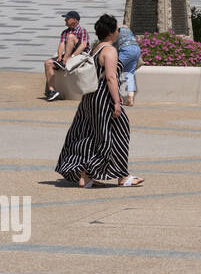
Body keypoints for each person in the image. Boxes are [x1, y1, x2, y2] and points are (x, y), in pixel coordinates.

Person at [55, 14, 142, 188]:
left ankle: (86, 176)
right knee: (117, 132)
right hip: (104, 98)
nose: (118, 32)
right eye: (117, 29)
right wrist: (117, 102)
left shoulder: (96, 48)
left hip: (90, 96)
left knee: (90, 134)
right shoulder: (110, 51)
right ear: (111, 32)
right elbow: (110, 77)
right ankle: (119, 176)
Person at [44, 11, 90, 102]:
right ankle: (52, 90)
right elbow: (61, 44)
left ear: (75, 20)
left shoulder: (82, 30)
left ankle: (65, 61)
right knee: (48, 63)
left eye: (67, 18)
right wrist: (60, 56)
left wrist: (71, 56)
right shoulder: (65, 32)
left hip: (79, 55)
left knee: (70, 37)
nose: (65, 20)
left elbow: (84, 45)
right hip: (67, 55)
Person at [115, 23, 141, 106]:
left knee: (115, 72)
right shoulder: (126, 29)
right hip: (136, 49)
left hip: (125, 50)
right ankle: (130, 99)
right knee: (129, 74)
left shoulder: (114, 30)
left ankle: (117, 98)